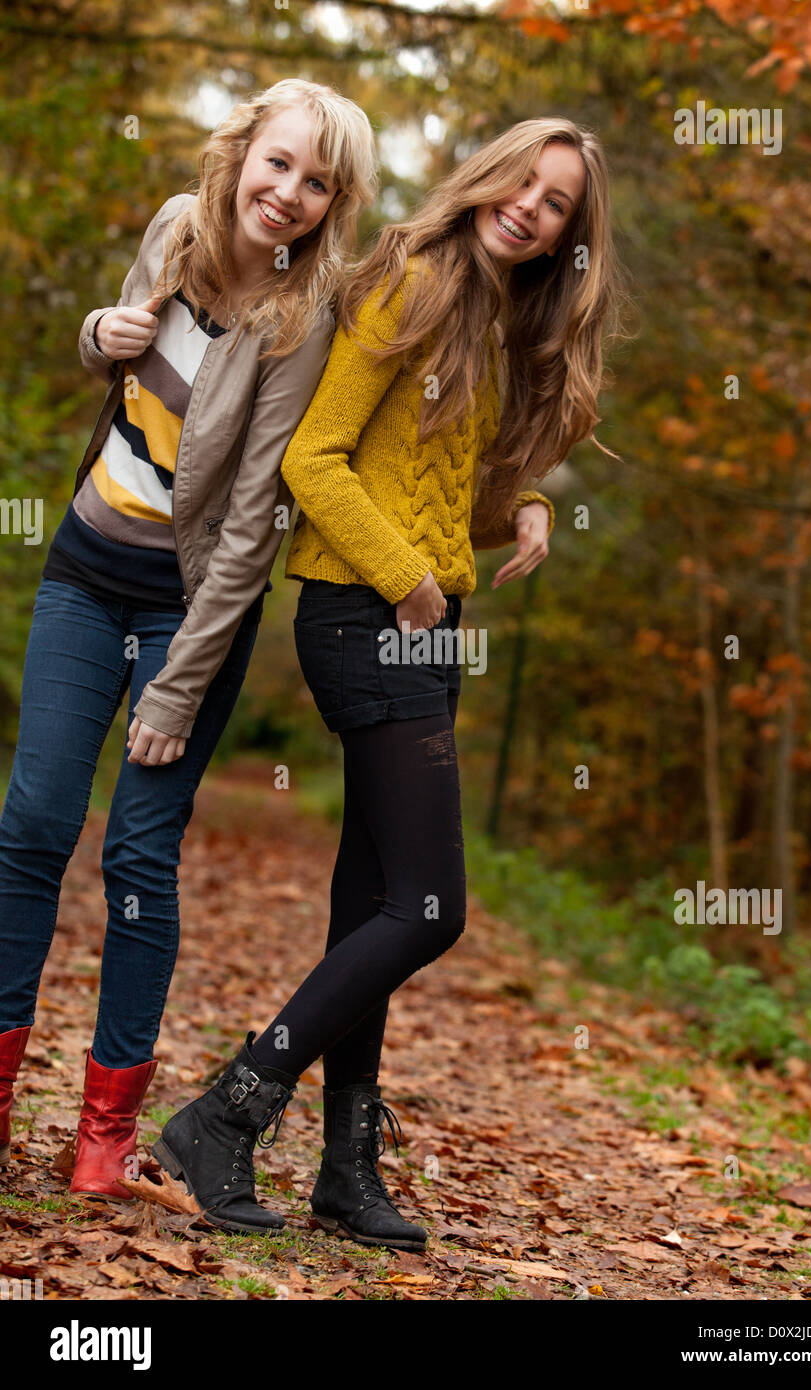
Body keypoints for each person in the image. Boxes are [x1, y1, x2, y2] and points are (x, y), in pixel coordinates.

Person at [153, 115, 621, 1250]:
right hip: (368, 618)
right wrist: (410, 579)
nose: (529, 205)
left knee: (373, 902)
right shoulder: (411, 277)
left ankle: (345, 1171)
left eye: (556, 202)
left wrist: (520, 504)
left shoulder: (491, 311)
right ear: (487, 178)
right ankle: (225, 1110)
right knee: (429, 907)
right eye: (521, 180)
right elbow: (313, 459)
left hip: (418, 618)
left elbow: (420, 486)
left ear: (569, 234)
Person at [0, 78, 377, 1200]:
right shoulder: (173, 225)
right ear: (241, 150)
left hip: (188, 606)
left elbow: (253, 515)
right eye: (279, 163)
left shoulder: (300, 320)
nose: (291, 193)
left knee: (136, 859)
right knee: (32, 826)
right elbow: (123, 361)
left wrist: (178, 684)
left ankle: (106, 1133)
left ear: (331, 203)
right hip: (82, 569)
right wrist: (94, 332)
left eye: (318, 183)